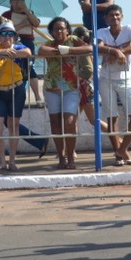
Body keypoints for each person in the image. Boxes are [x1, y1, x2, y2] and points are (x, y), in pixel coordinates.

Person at [38, 17, 93, 170]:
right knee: (55, 123)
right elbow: (41, 50)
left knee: (69, 122)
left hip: (71, 88)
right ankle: (61, 157)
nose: (60, 31)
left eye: (62, 28)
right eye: (56, 29)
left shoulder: (74, 40)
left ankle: (70, 157)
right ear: (51, 32)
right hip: (51, 88)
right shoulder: (49, 44)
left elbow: (88, 49)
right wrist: (59, 51)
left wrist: (67, 50)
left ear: (68, 30)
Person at [95, 4, 131, 166]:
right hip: (106, 79)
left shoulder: (129, 29)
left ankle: (123, 148)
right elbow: (98, 47)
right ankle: (118, 154)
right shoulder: (101, 32)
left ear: (122, 17)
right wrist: (113, 52)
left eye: (117, 15)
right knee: (112, 117)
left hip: (125, 79)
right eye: (111, 16)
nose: (114, 18)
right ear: (106, 18)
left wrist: (121, 51)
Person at [0, 21, 32, 173]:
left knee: (13, 126)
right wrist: (1, 53)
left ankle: (12, 161)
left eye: (10, 34)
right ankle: (1, 162)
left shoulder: (18, 47)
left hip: (16, 90)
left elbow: (28, 52)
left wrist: (12, 53)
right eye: (3, 34)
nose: (7, 38)